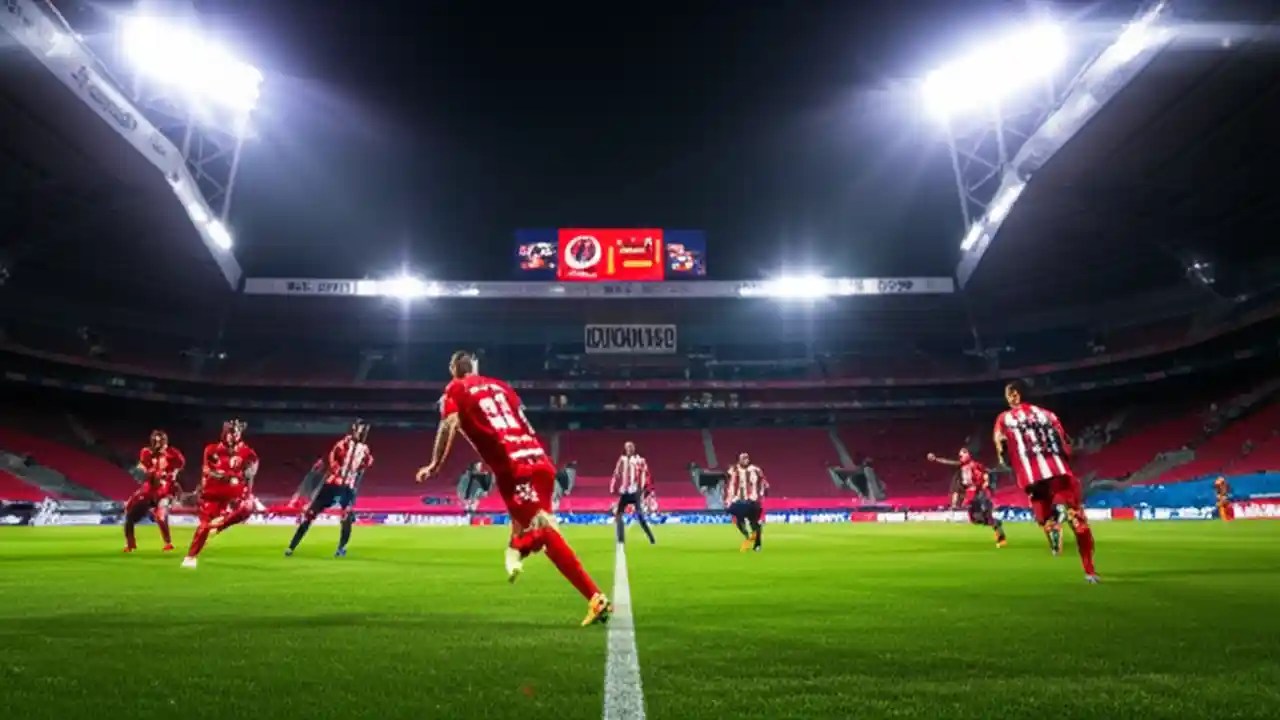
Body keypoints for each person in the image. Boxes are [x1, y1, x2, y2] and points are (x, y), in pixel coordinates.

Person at [416, 351, 612, 626]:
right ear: (475, 367)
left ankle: (593, 595)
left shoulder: (455, 389)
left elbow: (448, 424)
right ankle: (518, 548)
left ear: (453, 369)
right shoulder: (502, 386)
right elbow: (522, 420)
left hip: (514, 466)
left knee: (543, 531)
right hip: (538, 459)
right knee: (540, 526)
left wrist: (434, 464)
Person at [993, 380, 1098, 583]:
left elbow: (1001, 449)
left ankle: (1052, 523)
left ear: (1014, 395)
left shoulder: (1004, 419)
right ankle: (1089, 570)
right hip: (1059, 472)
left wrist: (1009, 460)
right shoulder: (1049, 415)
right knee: (1079, 521)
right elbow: (1066, 445)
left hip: (1032, 478)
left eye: (1009, 395)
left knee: (1043, 518)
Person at [287, 420, 373, 557]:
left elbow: (366, 464)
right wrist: (339, 472)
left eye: (365, 431)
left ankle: (341, 548)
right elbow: (333, 459)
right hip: (333, 484)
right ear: (354, 429)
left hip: (348, 487)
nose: (363, 433)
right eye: (361, 430)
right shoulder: (343, 444)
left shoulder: (365, 450)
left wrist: (356, 473)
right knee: (311, 513)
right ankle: (292, 546)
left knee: (346, 516)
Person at [182, 419, 258, 569]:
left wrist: (247, 488)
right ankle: (191, 557)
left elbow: (251, 474)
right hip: (212, 494)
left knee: (249, 506)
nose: (233, 436)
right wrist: (228, 476)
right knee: (204, 526)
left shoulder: (248, 453)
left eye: (235, 433)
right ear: (224, 433)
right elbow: (208, 471)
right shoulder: (211, 450)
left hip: (232, 495)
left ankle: (220, 526)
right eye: (230, 433)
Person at [926, 448, 1007, 547]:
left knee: (986, 517)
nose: (960, 458)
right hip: (972, 495)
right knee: (974, 519)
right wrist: (936, 459)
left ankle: (1001, 538)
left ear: (968, 455)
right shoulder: (962, 467)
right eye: (960, 456)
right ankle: (997, 524)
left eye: (962, 455)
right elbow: (950, 463)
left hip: (980, 494)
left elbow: (985, 474)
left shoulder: (975, 465)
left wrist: (985, 484)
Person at [124, 430, 185, 553]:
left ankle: (168, 543)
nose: (158, 444)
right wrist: (144, 472)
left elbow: (178, 467)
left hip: (165, 490)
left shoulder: (173, 453)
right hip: (149, 491)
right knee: (129, 516)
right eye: (156, 441)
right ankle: (130, 545)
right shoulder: (146, 452)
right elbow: (141, 469)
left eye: (160, 441)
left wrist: (170, 474)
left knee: (160, 516)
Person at [610, 441, 656, 545]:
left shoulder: (639, 460)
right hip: (625, 491)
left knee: (640, 516)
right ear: (625, 448)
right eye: (627, 447)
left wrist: (644, 488)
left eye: (631, 447)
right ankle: (620, 539)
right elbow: (616, 473)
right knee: (618, 515)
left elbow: (646, 474)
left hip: (635, 491)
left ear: (634, 448)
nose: (629, 449)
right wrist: (612, 485)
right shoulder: (622, 460)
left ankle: (651, 538)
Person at [724, 452, 767, 552]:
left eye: (747, 459)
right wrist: (728, 499)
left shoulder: (756, 470)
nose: (746, 460)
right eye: (743, 459)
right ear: (739, 460)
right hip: (738, 500)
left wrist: (761, 495)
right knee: (736, 516)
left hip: (753, 501)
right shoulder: (733, 470)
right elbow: (729, 484)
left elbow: (764, 483)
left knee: (754, 523)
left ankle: (757, 544)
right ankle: (747, 535)